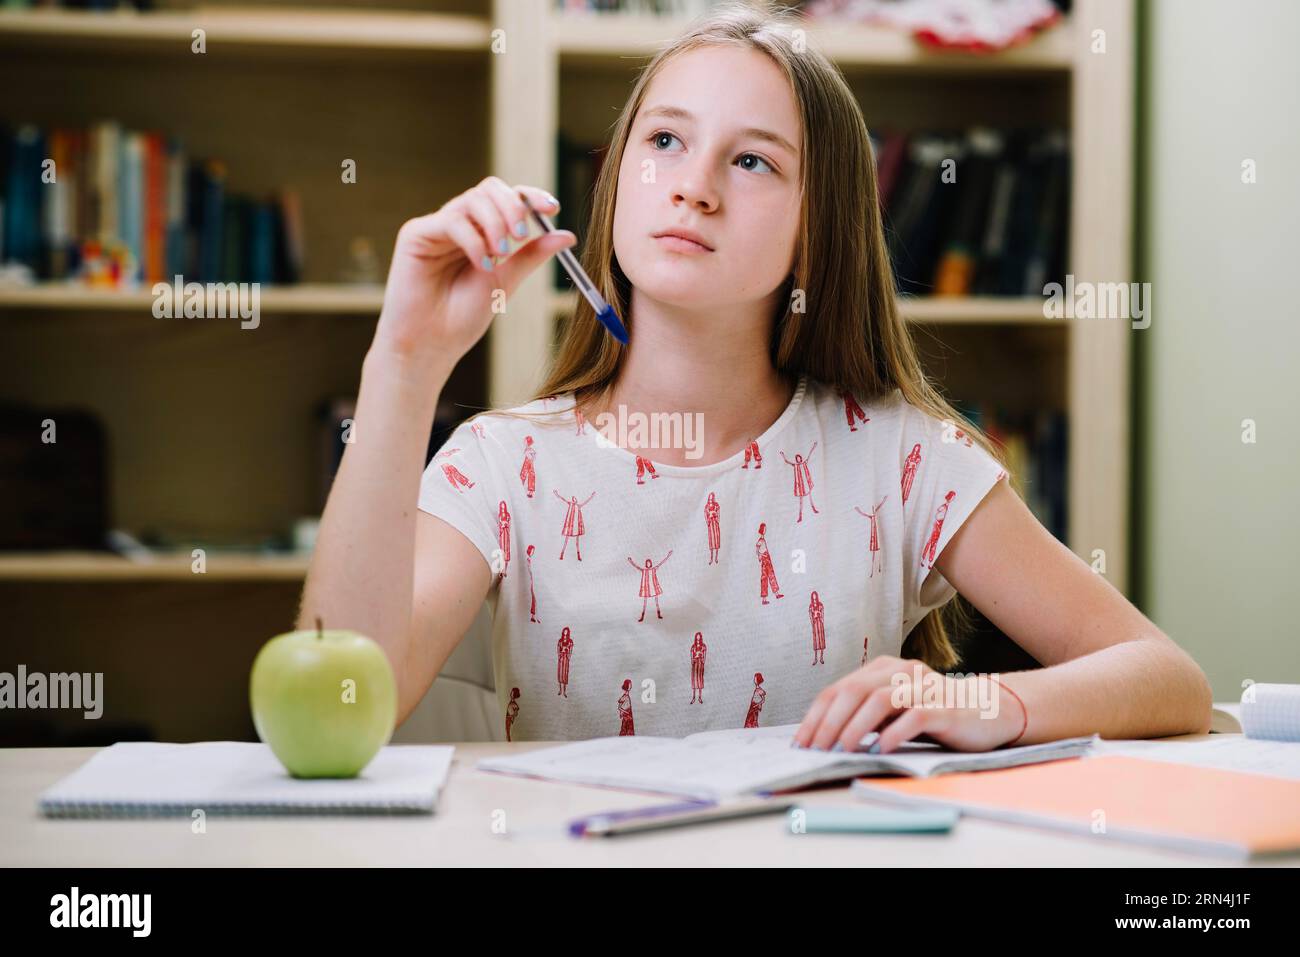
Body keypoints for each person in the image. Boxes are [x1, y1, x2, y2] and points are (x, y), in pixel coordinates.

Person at [297, 0, 1211, 750]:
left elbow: (1167, 677)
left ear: (820, 231)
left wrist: (980, 703)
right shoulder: (501, 463)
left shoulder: (898, 457)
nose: (694, 185)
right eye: (663, 141)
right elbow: (340, 709)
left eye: (751, 160)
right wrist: (404, 363)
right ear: (615, 181)